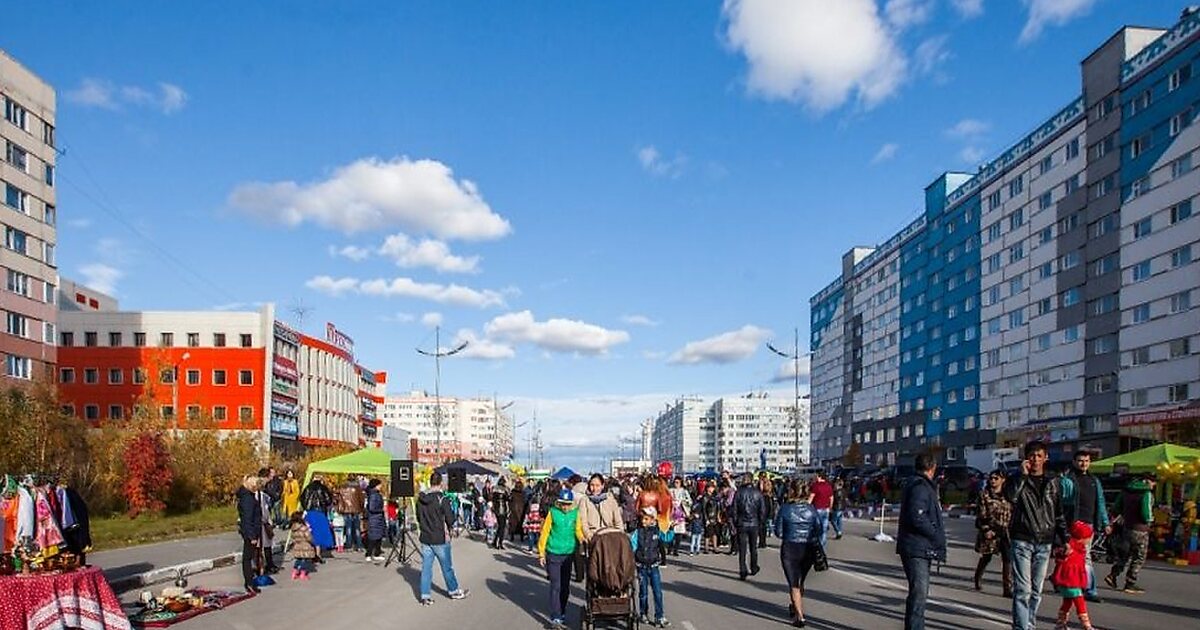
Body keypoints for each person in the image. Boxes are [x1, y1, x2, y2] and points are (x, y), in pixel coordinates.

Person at [1005, 441, 1067, 630]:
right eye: (1032, 456)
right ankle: (1021, 627)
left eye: (1040, 456)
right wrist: (1022, 476)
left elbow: (1059, 512)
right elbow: (1011, 497)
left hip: (1045, 541)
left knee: (1036, 590)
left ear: (1046, 457)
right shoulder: (1017, 479)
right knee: (1023, 590)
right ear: (1026, 458)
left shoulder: (1053, 481)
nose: (1036, 460)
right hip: (1022, 538)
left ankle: (1029, 624)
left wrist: (1064, 539)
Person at [896, 453, 946, 630]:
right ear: (932, 468)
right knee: (919, 593)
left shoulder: (919, 484)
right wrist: (935, 533)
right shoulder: (920, 487)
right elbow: (918, 516)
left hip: (918, 546)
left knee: (919, 593)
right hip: (916, 547)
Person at [1059, 448, 1110, 602]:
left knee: (1085, 557)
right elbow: (1062, 502)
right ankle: (1066, 582)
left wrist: (1105, 522)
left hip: (1088, 524)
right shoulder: (1068, 480)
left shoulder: (1094, 481)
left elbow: (1100, 502)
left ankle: (1089, 589)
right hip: (1072, 523)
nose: (1084, 463)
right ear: (1074, 462)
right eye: (1081, 460)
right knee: (1068, 555)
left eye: (1087, 461)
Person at [775, 478, 823, 628]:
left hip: (790, 547)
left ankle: (800, 616)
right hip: (807, 548)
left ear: (792, 490)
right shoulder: (811, 509)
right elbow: (819, 529)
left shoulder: (785, 508)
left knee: (793, 582)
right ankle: (795, 605)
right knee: (801, 580)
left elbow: (778, 531)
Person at [417, 472, 470, 605]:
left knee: (426, 568)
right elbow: (450, 519)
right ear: (440, 483)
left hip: (425, 537)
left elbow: (418, 518)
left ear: (430, 482)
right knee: (447, 567)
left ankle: (425, 595)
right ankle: (454, 591)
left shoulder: (421, 499)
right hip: (440, 537)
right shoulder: (443, 499)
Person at [537, 487, 583, 629]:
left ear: (571, 503)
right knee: (555, 586)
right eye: (562, 503)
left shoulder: (575, 514)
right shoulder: (553, 513)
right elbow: (545, 532)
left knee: (565, 587)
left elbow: (578, 531)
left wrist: (584, 540)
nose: (565, 507)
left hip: (568, 554)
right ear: (558, 503)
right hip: (553, 553)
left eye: (567, 504)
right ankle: (556, 616)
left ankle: (562, 611)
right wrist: (541, 552)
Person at [1105, 475, 1154, 594]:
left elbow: (1116, 508)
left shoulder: (1125, 491)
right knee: (1139, 557)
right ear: (1147, 481)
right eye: (1153, 483)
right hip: (1140, 529)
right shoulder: (1146, 493)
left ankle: (1113, 574)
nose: (1153, 486)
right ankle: (1130, 583)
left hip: (1126, 527)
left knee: (1125, 555)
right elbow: (1146, 513)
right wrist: (1150, 520)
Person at [974, 469, 1013, 597]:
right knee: (987, 556)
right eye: (991, 478)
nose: (993, 480)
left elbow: (1012, 512)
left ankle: (1007, 587)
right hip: (990, 530)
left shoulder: (1007, 494)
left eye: (996, 478)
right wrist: (986, 529)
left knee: (1007, 559)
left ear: (1003, 480)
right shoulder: (984, 494)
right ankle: (978, 577)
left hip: (1005, 530)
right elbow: (981, 514)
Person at [1051, 521, 1096, 630]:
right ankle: (1086, 624)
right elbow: (1060, 556)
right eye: (1088, 538)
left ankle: (1061, 623)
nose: (1089, 540)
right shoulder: (1071, 548)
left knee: (1067, 601)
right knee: (1079, 601)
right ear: (1082, 538)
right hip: (1070, 580)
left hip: (1071, 580)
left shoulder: (1078, 548)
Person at [632, 506, 669, 628]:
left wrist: (670, 527)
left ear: (653, 519)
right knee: (643, 593)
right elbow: (632, 546)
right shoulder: (638, 532)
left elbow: (667, 538)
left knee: (657, 592)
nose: (644, 521)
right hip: (641, 566)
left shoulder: (657, 532)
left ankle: (659, 616)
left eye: (646, 519)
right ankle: (643, 613)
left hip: (654, 567)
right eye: (643, 519)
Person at [733, 473, 767, 580]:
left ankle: (743, 570)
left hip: (742, 523)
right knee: (753, 547)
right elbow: (762, 510)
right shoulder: (758, 493)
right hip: (754, 523)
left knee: (742, 549)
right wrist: (761, 522)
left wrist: (736, 522)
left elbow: (734, 509)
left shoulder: (738, 493)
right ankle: (753, 567)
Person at [236, 475, 263, 593]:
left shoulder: (248, 496)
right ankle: (249, 583)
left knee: (249, 557)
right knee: (247, 558)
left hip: (251, 530)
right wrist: (252, 535)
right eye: (256, 486)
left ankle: (250, 581)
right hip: (249, 532)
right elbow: (247, 518)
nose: (257, 489)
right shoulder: (247, 498)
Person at [579, 473, 624, 543]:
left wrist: (619, 536)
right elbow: (584, 523)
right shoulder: (584, 500)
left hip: (610, 537)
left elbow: (618, 522)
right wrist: (590, 536)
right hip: (593, 537)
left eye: (597, 485)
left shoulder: (610, 500)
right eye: (592, 485)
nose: (594, 488)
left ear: (602, 486)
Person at [336, 477, 365, 553]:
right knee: (357, 529)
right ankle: (359, 545)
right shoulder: (358, 488)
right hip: (356, 509)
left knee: (348, 528)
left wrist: (340, 509)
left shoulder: (343, 488)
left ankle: (349, 546)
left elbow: (340, 499)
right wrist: (361, 508)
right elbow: (362, 499)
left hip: (346, 510)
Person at [288, 511, 317, 581]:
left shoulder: (293, 528)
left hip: (297, 545)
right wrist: (313, 542)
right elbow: (309, 537)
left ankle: (295, 572)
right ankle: (302, 574)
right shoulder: (303, 527)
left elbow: (293, 537)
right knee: (305, 560)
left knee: (298, 559)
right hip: (305, 545)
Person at [668, 477, 691, 557]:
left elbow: (689, 501)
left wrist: (684, 503)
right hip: (671, 514)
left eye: (678, 482)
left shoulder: (684, 491)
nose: (676, 483)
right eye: (675, 482)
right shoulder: (670, 490)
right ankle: (669, 548)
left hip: (680, 513)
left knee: (679, 533)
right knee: (671, 532)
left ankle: (676, 549)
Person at [364, 479, 386, 562]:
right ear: (376, 485)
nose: (381, 486)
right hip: (375, 518)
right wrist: (381, 510)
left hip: (377, 518)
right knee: (373, 537)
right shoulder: (374, 495)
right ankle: (369, 554)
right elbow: (372, 508)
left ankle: (377, 553)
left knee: (378, 536)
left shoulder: (375, 494)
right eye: (380, 485)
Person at [809, 472, 834, 547]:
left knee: (816, 527)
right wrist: (830, 507)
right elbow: (831, 498)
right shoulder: (828, 486)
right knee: (824, 528)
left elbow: (811, 497)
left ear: (819, 476)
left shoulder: (816, 486)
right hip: (826, 508)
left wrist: (807, 505)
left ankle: (816, 543)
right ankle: (822, 544)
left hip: (817, 508)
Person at [699, 483, 722, 554]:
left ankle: (715, 547)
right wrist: (706, 519)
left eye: (713, 488)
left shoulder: (714, 497)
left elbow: (717, 508)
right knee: (707, 533)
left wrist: (718, 516)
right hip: (708, 517)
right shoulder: (705, 497)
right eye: (711, 487)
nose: (712, 489)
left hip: (715, 516)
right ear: (707, 488)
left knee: (715, 533)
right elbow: (703, 509)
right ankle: (706, 548)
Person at [491, 478, 510, 550]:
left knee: (500, 526)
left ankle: (495, 541)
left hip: (496, 510)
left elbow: (492, 499)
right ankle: (500, 543)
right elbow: (508, 498)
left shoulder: (494, 489)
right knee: (502, 527)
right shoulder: (505, 489)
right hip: (503, 509)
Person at [509, 480, 528, 544]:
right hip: (521, 510)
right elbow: (525, 502)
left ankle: (512, 536)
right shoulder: (523, 493)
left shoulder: (513, 492)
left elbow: (510, 501)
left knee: (513, 524)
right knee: (521, 524)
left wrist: (510, 508)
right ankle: (521, 537)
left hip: (514, 510)